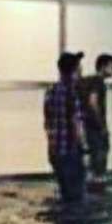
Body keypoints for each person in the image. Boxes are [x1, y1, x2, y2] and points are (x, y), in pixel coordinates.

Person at [44, 51, 87, 202]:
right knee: (76, 196)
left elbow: (47, 122)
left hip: (55, 150)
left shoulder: (51, 90)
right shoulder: (72, 92)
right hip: (71, 151)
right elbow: (76, 121)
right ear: (74, 71)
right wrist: (84, 147)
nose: (82, 71)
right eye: (79, 67)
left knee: (65, 192)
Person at [79, 53, 112, 188]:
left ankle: (91, 183)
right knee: (100, 155)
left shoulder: (85, 81)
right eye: (111, 67)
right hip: (95, 126)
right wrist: (102, 125)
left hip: (85, 125)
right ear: (102, 67)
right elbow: (93, 102)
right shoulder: (98, 82)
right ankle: (99, 183)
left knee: (91, 156)